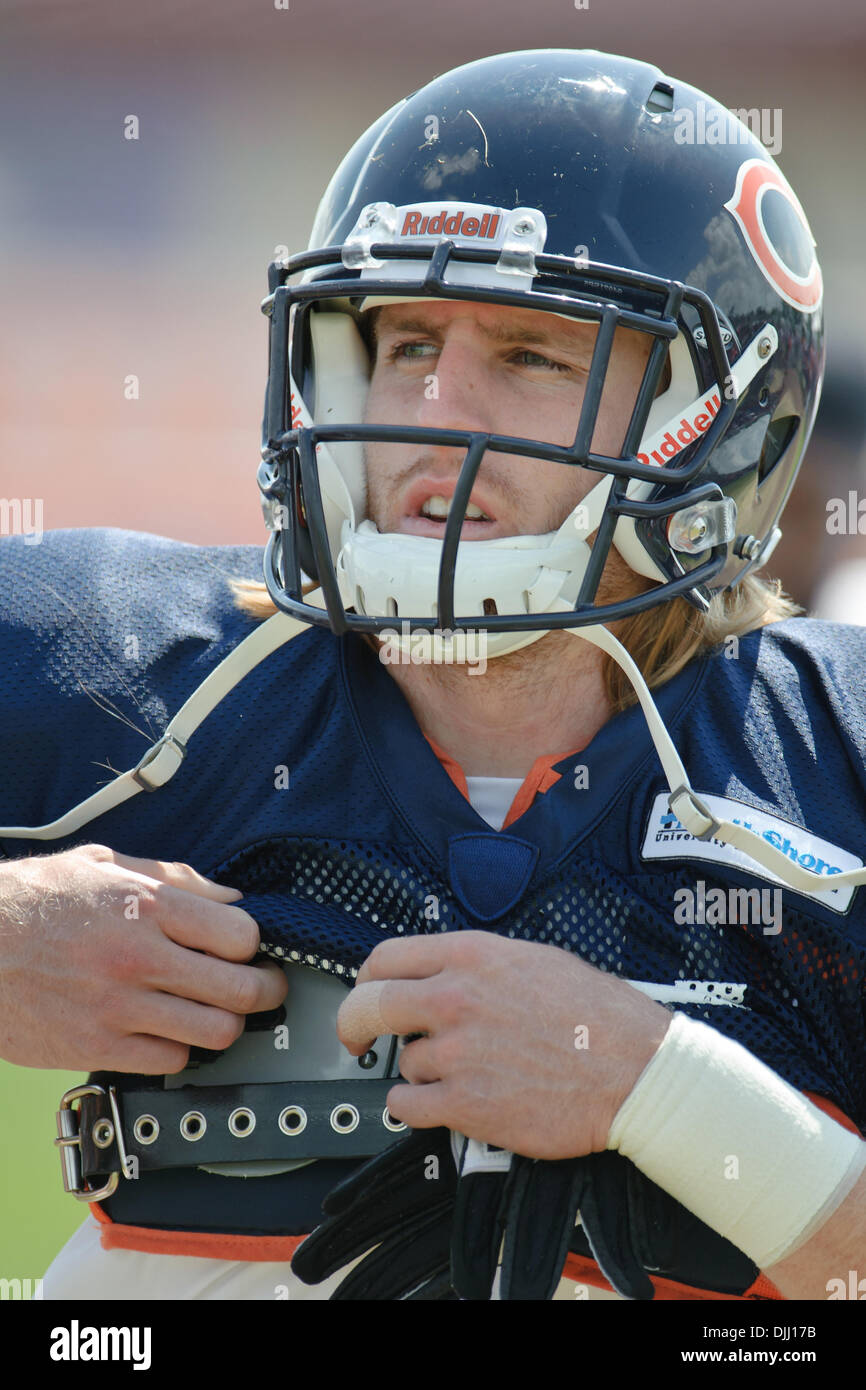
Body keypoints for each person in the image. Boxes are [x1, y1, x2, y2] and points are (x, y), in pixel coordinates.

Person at [1, 47, 864, 1302]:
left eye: (527, 355)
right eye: (401, 341)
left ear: (711, 419)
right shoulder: (132, 665)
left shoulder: (827, 753)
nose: (431, 405)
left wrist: (653, 1088)